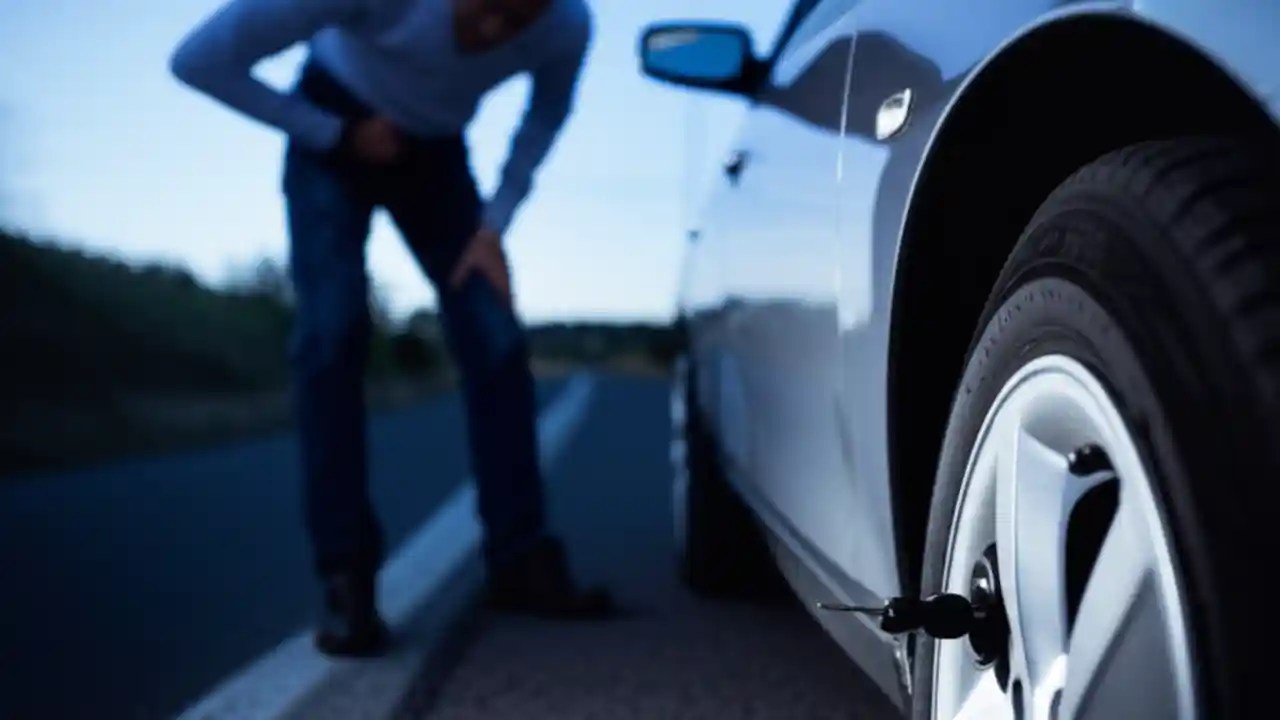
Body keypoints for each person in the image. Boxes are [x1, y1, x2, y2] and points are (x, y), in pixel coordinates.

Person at [169, 0, 612, 658]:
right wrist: (331, 133)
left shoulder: (569, 24)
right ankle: (347, 580)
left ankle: (520, 560)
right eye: (488, 7)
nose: (493, 34)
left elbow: (545, 116)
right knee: (333, 330)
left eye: (518, 21)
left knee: (495, 336)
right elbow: (199, 61)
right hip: (334, 125)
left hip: (434, 156)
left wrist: (494, 226)